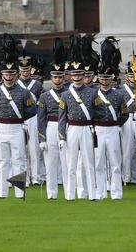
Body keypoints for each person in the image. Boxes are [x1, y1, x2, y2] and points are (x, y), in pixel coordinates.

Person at [0, 60, 36, 199]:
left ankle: (19, 192)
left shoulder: (24, 93)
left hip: (17, 129)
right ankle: (2, 193)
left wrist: (18, 119)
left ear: (16, 75)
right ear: (2, 75)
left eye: (11, 74)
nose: (9, 77)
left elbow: (32, 110)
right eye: (6, 74)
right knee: (2, 162)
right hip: (1, 129)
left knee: (19, 160)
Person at [58, 61, 102, 201]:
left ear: (84, 76)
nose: (77, 77)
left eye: (79, 74)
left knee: (89, 162)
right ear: (70, 76)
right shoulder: (65, 95)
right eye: (74, 74)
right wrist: (61, 136)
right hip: (72, 129)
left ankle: (92, 194)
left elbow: (99, 112)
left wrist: (95, 130)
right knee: (71, 164)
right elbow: (62, 117)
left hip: (87, 129)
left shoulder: (93, 93)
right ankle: (70, 195)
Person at [93, 64, 128, 200]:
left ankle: (116, 193)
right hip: (98, 129)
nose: (105, 81)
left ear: (111, 79)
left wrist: (118, 124)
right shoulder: (94, 94)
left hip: (113, 129)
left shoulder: (118, 95)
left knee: (115, 162)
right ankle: (100, 192)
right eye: (103, 78)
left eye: (107, 79)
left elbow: (124, 113)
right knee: (98, 162)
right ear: (99, 79)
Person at [37, 56, 69, 200]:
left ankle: (69, 192)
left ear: (63, 77)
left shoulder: (69, 94)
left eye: (60, 77)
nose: (57, 80)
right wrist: (41, 137)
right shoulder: (44, 96)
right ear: (51, 77)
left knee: (68, 162)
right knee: (50, 162)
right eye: (55, 77)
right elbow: (41, 118)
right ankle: (51, 193)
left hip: (67, 127)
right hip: (50, 127)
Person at [17, 55, 46, 186]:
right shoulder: (15, 84)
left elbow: (42, 102)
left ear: (30, 70)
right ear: (19, 71)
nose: (25, 73)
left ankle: (36, 177)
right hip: (19, 118)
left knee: (35, 149)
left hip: (34, 117)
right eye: (23, 71)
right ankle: (25, 178)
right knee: (21, 150)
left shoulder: (38, 85)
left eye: (27, 70)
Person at [119, 63, 136, 184]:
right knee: (127, 150)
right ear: (126, 77)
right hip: (127, 119)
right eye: (131, 76)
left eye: (135, 76)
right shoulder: (121, 90)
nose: (133, 79)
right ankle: (126, 177)